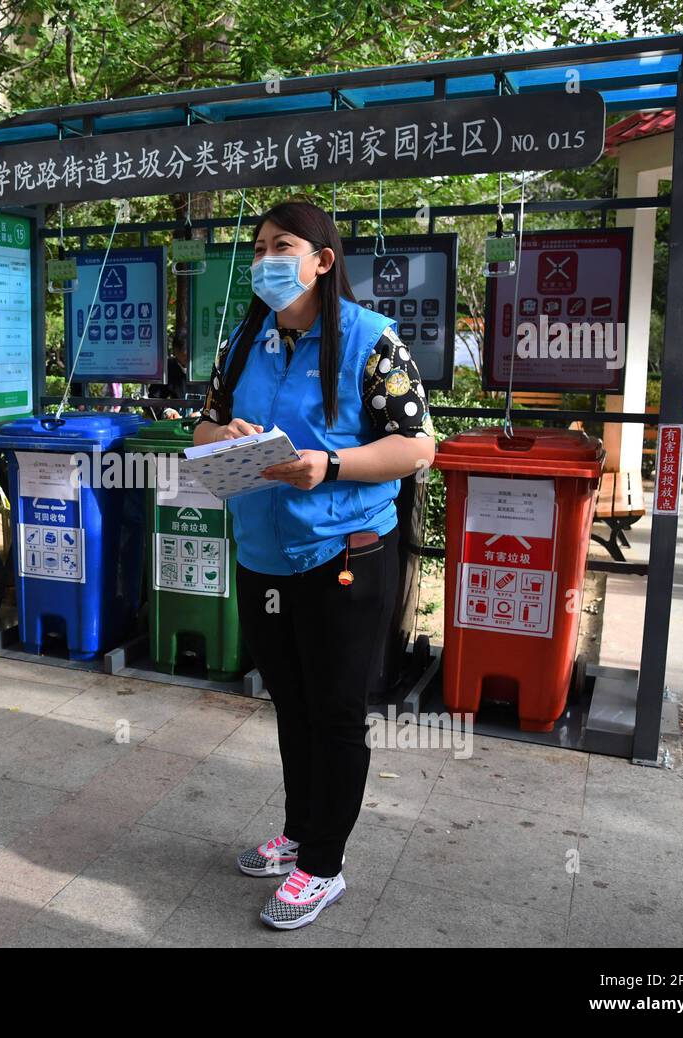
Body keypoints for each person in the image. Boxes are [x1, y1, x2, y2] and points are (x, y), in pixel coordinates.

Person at [192, 200, 436, 930]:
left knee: (334, 715)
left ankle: (323, 867)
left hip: (345, 556)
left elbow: (417, 446)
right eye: (260, 244)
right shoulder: (246, 339)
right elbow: (202, 422)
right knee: (291, 704)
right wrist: (222, 431)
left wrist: (328, 466)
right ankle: (300, 833)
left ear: (322, 259)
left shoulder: (369, 339)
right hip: (264, 555)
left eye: (283, 244)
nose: (266, 256)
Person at [147, 339, 190, 420]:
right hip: (175, 425)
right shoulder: (167, 368)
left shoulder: (208, 368)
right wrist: (167, 412)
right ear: (176, 350)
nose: (189, 354)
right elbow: (152, 399)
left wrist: (202, 413)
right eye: (184, 349)